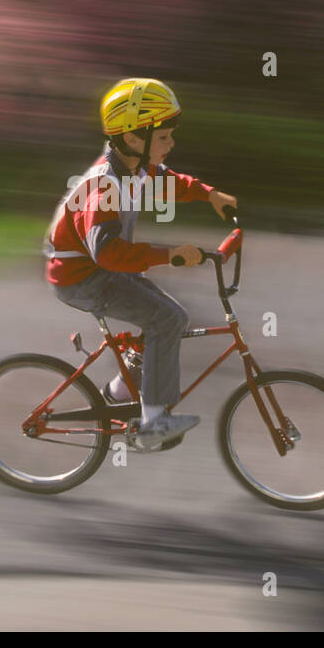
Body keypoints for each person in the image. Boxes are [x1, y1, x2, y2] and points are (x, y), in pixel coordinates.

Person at [43, 78, 238, 450]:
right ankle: (153, 422)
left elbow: (168, 183)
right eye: (164, 137)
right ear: (134, 138)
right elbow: (108, 253)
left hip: (102, 270)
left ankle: (117, 395)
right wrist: (172, 254)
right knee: (167, 318)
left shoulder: (135, 168)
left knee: (168, 315)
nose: (172, 144)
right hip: (82, 277)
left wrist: (208, 194)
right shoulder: (104, 186)